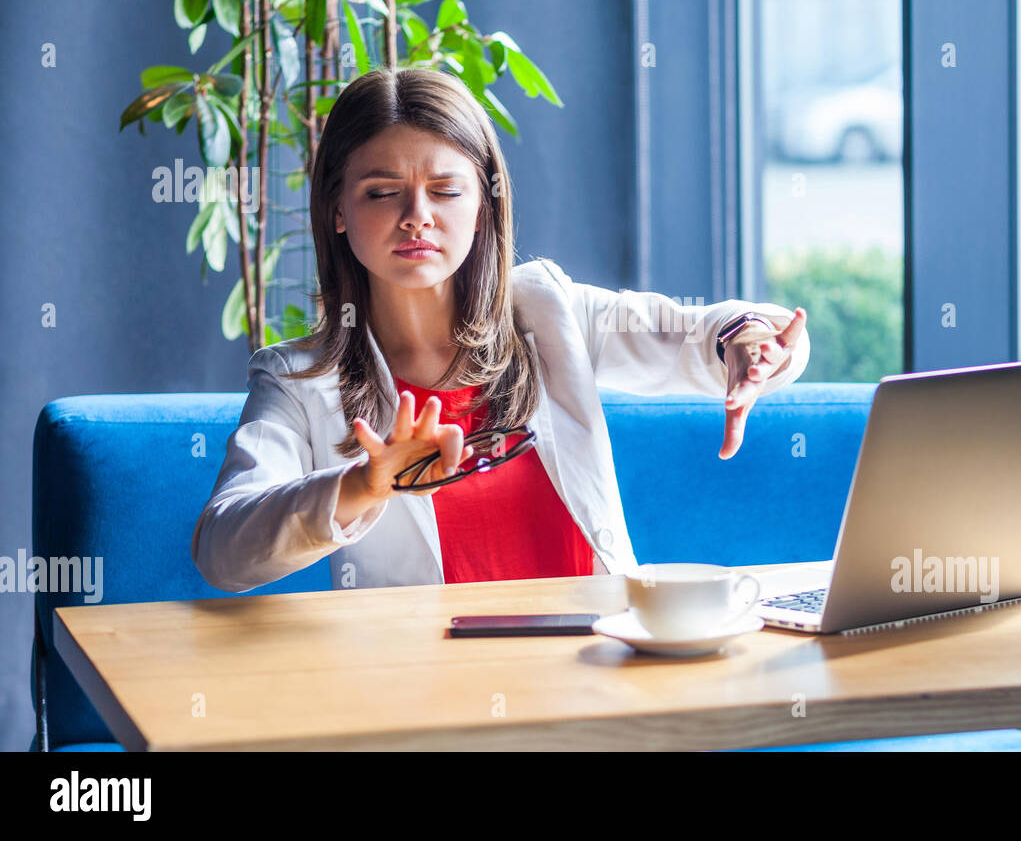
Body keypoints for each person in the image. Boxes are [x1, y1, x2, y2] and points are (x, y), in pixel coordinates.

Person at [191, 67, 810, 594]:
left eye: (444, 190)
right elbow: (222, 549)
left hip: (600, 668)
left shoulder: (549, 312)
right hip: (430, 705)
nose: (416, 218)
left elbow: (707, 331)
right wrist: (362, 485)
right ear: (336, 211)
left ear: (483, 204)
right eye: (382, 193)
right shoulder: (299, 380)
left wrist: (749, 342)